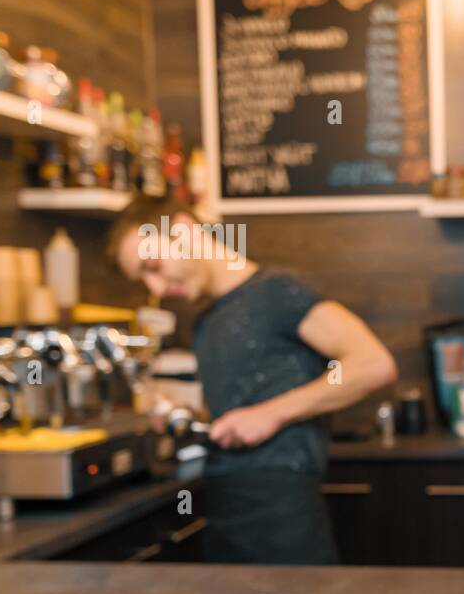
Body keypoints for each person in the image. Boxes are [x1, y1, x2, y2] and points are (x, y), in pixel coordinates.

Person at [107, 194, 397, 565]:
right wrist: (188, 414)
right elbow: (239, 410)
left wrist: (270, 414)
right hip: (225, 507)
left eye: (153, 266)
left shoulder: (277, 291)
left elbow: (372, 363)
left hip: (284, 511)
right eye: (144, 278)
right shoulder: (205, 321)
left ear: (182, 229)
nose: (157, 289)